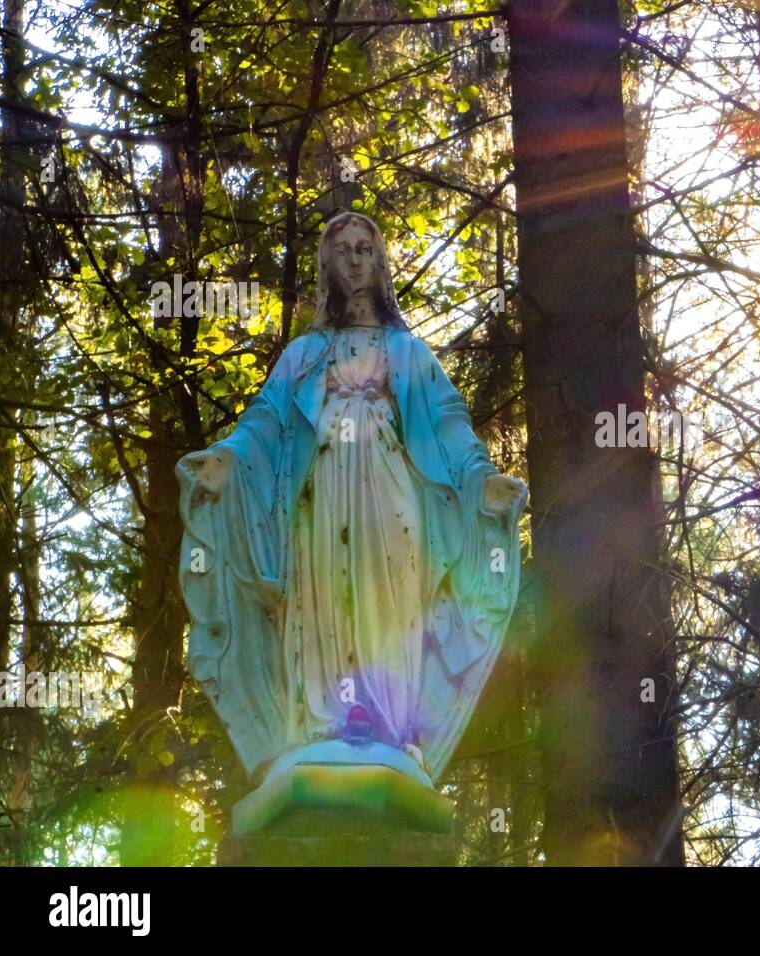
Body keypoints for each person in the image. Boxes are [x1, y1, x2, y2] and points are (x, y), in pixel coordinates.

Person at [177, 211, 526, 784]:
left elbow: (447, 421)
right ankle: (322, 724)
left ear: (379, 261)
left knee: (388, 592)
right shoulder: (304, 354)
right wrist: (227, 459)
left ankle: (389, 727)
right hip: (322, 488)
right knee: (324, 588)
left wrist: (481, 476)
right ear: (327, 264)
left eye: (366, 248)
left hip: (391, 489)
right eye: (345, 250)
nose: (357, 259)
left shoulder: (407, 351)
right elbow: (265, 420)